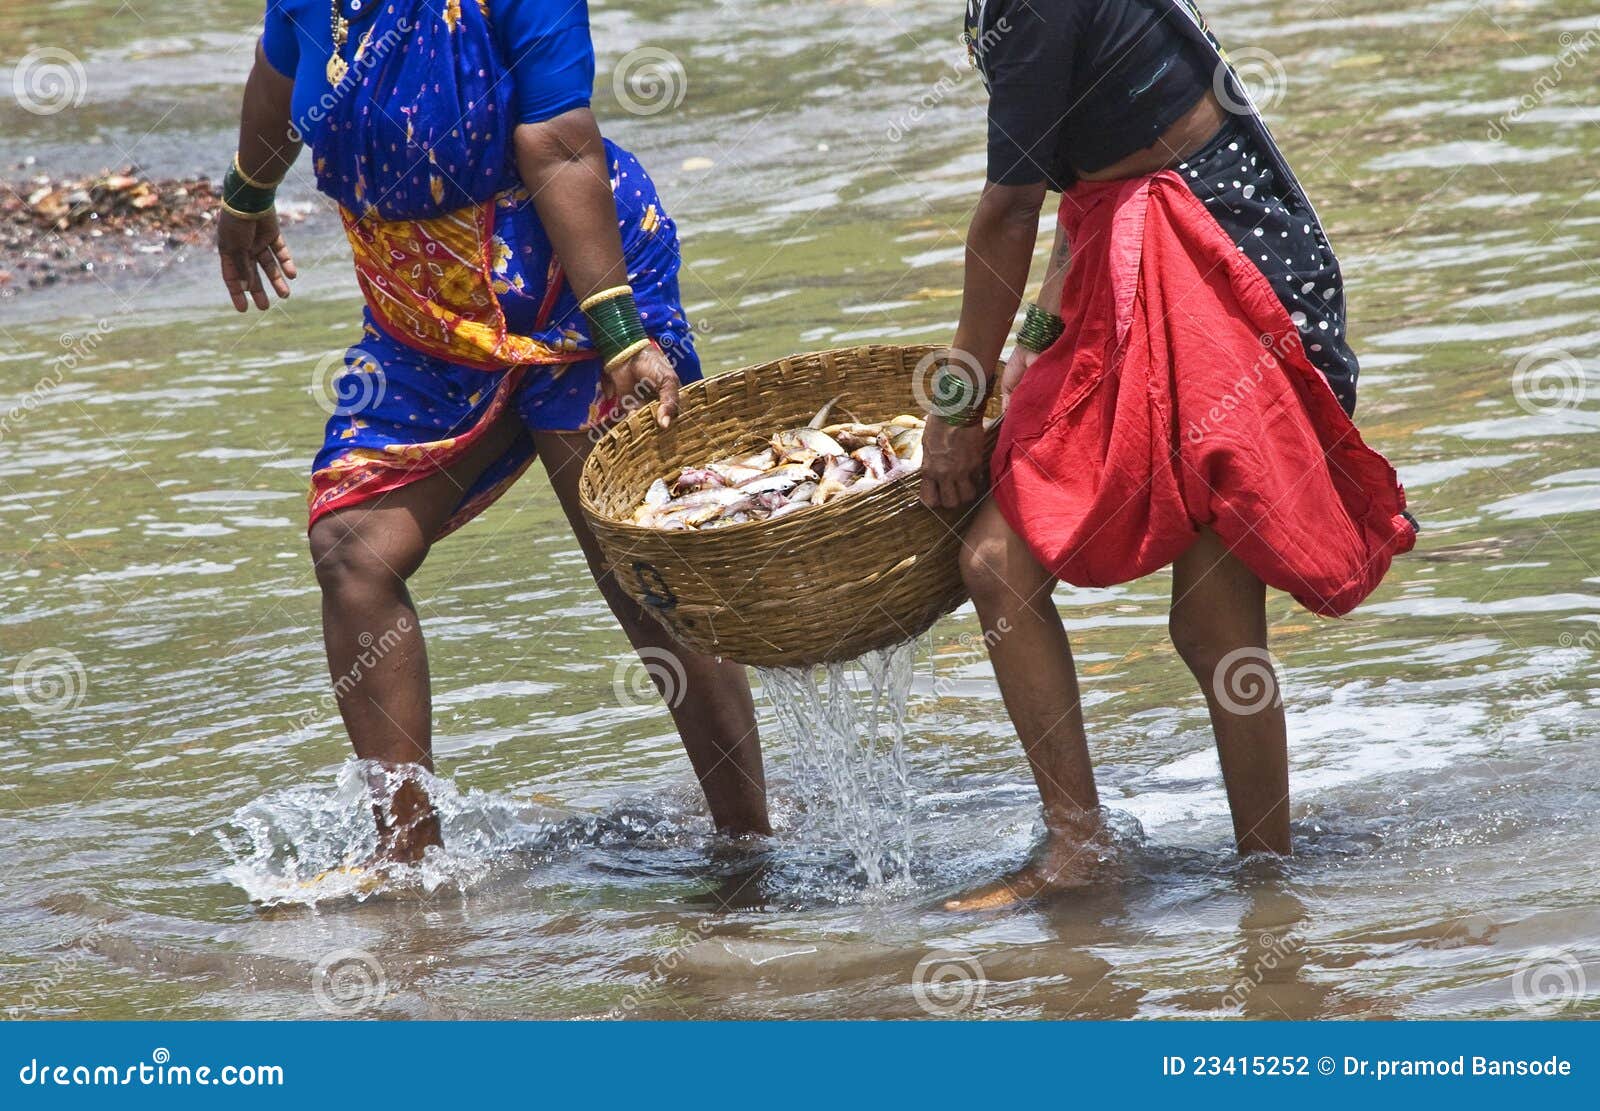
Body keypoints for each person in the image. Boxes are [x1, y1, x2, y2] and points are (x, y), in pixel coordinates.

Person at [217, 0, 770, 864]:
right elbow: (279, 70)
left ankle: (748, 845)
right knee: (352, 547)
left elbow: (560, 144)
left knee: (633, 561)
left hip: (571, 279)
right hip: (424, 317)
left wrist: (622, 337)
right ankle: (411, 869)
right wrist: (247, 192)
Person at [921, 0, 1416, 909]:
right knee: (999, 562)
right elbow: (1089, 165)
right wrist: (1038, 323)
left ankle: (1267, 887)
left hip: (1227, 265)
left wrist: (956, 402)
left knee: (1211, 624)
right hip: (1135, 249)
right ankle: (1091, 848)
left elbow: (1009, 208)